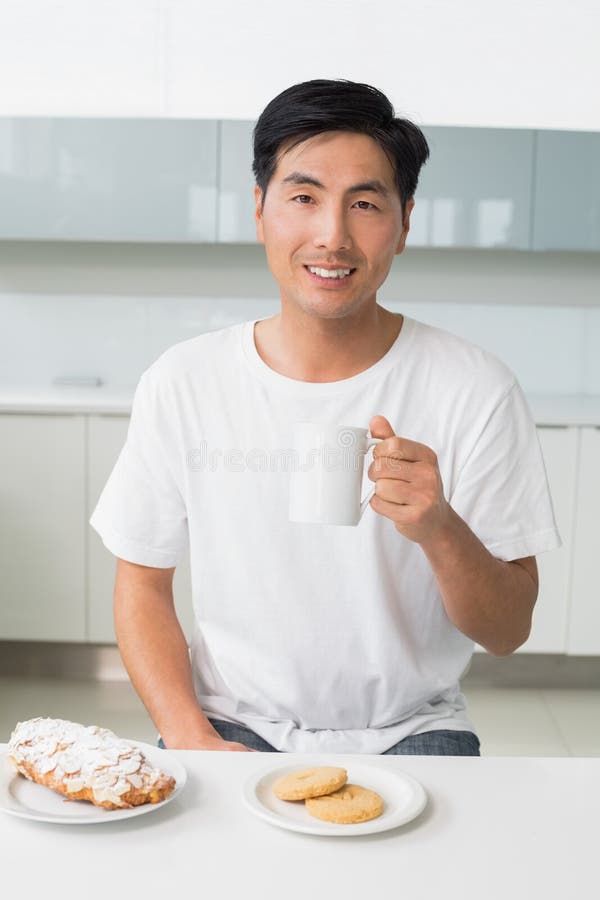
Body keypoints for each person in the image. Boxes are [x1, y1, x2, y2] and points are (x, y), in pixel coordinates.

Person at [90, 78, 561, 756]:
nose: (332, 236)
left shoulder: (475, 388)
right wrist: (189, 735)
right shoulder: (185, 381)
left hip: (414, 727)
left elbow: (508, 630)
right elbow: (141, 583)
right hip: (229, 720)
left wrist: (439, 527)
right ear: (260, 210)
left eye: (365, 203)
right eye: (303, 197)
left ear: (404, 223)